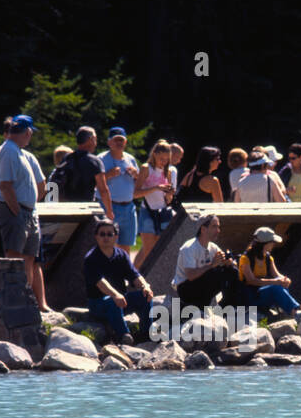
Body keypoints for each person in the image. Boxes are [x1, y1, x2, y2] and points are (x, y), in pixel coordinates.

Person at [0, 114, 49, 309]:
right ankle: (14, 300)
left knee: (29, 257)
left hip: (28, 211)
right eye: (30, 133)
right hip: (15, 211)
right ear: (27, 132)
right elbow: (5, 186)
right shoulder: (8, 151)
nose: (30, 137)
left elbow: (39, 186)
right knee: (14, 256)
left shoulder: (20, 152)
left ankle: (26, 299)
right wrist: (18, 212)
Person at [84, 217, 154, 344]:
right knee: (112, 301)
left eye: (110, 234)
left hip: (121, 301)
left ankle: (146, 334)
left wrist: (145, 286)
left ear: (116, 236)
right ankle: (124, 336)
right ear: (96, 236)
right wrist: (115, 295)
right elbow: (100, 282)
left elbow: (134, 275)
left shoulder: (121, 255)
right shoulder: (91, 258)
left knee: (144, 296)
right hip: (99, 304)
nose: (106, 237)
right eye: (102, 234)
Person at [174, 213, 238, 309]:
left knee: (231, 271)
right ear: (203, 229)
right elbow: (190, 275)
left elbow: (231, 264)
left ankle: (228, 305)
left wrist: (228, 262)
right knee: (216, 273)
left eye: (218, 227)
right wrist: (212, 264)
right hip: (186, 289)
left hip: (200, 286)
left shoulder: (213, 247)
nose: (218, 231)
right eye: (214, 227)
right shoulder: (189, 247)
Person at [237, 227, 301, 316]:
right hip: (249, 297)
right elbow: (251, 280)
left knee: (282, 286)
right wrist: (275, 282)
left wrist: (285, 280)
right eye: (272, 242)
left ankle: (292, 312)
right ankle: (295, 313)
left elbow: (277, 275)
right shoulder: (245, 259)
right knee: (275, 288)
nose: (273, 245)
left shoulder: (268, 258)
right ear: (264, 244)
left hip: (261, 293)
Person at [133, 140, 177, 268]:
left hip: (162, 211)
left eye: (166, 159)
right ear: (154, 155)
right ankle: (139, 279)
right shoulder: (146, 168)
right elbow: (135, 194)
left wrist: (169, 193)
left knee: (161, 250)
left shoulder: (168, 171)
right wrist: (156, 188)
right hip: (147, 211)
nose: (163, 162)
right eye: (161, 158)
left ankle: (154, 278)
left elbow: (168, 199)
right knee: (148, 251)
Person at [51, 126, 112, 216]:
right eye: (95, 139)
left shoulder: (67, 158)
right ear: (90, 139)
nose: (96, 142)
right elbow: (103, 190)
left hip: (66, 208)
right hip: (85, 208)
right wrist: (109, 211)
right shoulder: (94, 161)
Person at [99, 126, 138, 253]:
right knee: (108, 245)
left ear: (125, 142)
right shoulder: (101, 159)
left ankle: (124, 272)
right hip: (109, 207)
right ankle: (108, 272)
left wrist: (136, 175)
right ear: (109, 142)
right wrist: (108, 175)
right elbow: (93, 182)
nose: (119, 143)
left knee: (126, 246)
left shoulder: (130, 159)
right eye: (116, 140)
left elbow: (140, 182)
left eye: (121, 140)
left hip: (128, 208)